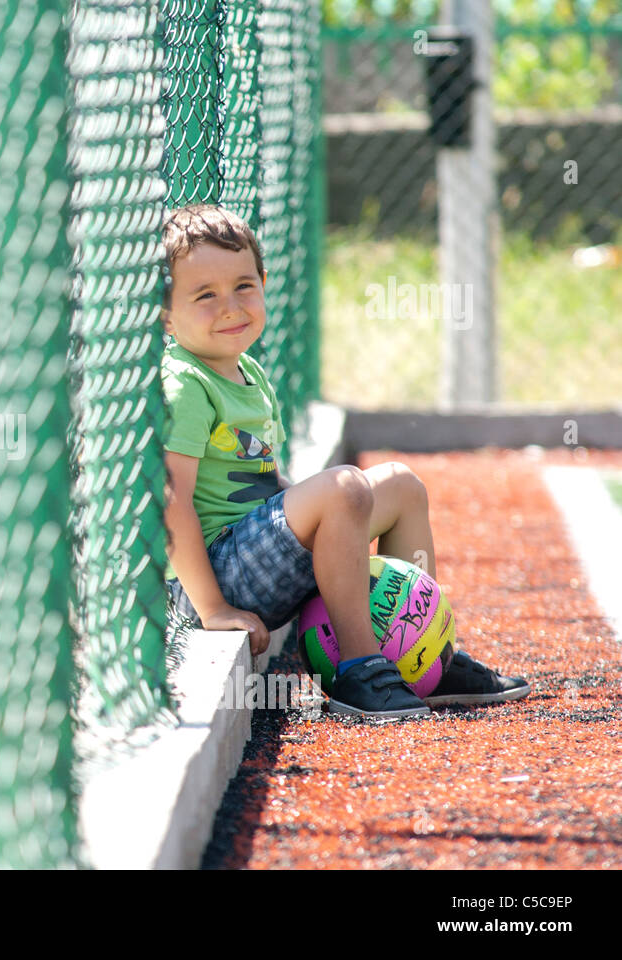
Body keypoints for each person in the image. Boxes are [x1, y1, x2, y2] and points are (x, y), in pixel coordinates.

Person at [160, 203, 530, 718]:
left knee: (400, 486)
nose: (230, 307)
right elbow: (171, 499)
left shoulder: (247, 371)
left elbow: (267, 485)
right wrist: (214, 607)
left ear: (264, 282)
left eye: (244, 286)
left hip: (254, 552)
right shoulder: (184, 382)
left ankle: (426, 657)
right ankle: (359, 666)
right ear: (165, 312)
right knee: (344, 488)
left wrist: (328, 518)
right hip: (219, 573)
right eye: (205, 295)